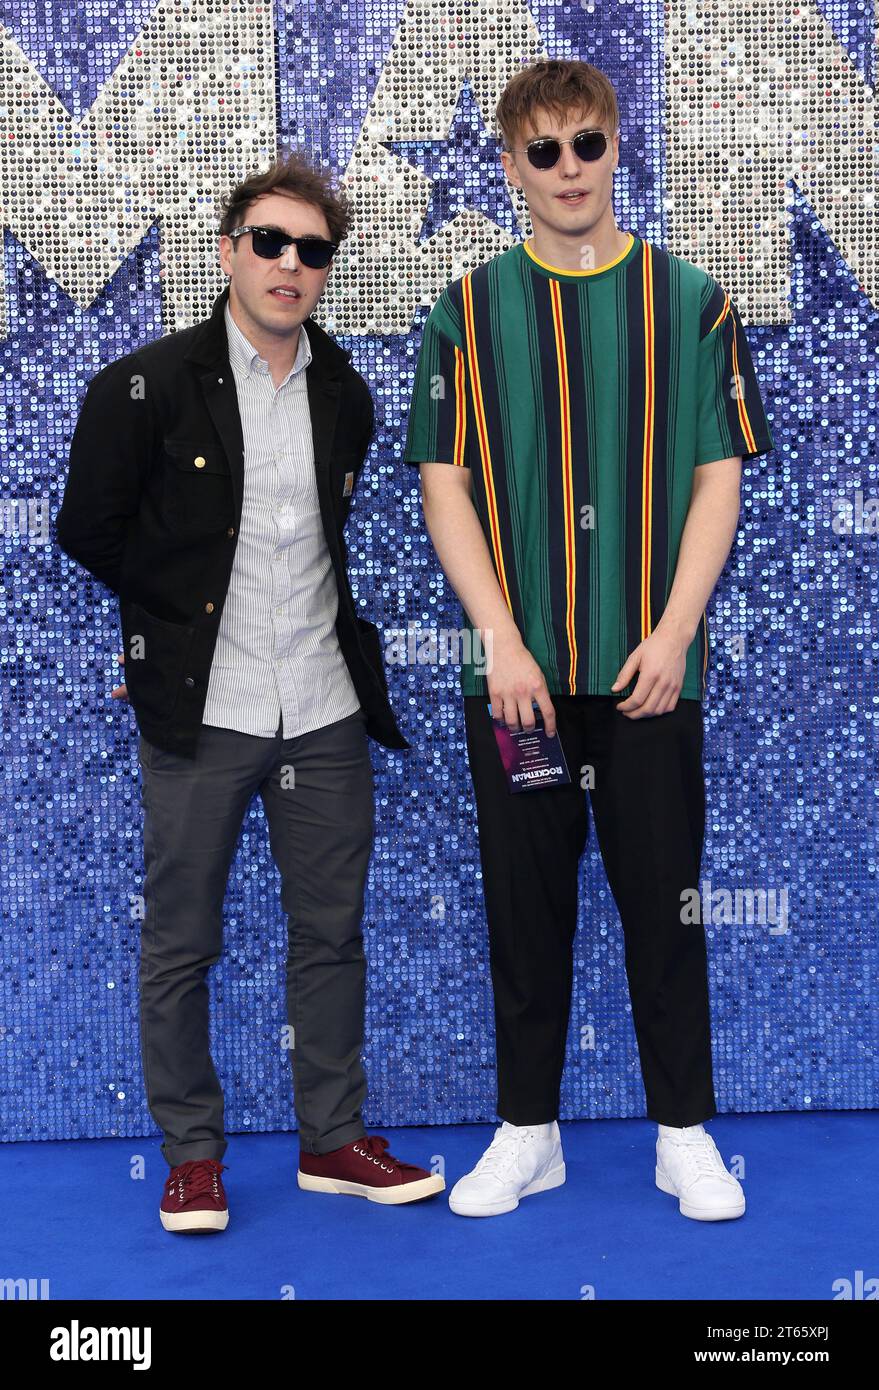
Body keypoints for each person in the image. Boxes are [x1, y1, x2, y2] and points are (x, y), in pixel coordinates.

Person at [402, 59, 775, 1221]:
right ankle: (528, 1131)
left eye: (589, 144)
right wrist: (502, 641)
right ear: (512, 167)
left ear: (621, 148)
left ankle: (683, 1133)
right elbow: (445, 483)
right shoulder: (466, 310)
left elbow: (719, 475)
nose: (570, 169)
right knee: (526, 912)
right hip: (517, 682)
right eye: (545, 150)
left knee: (666, 903)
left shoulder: (693, 300)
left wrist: (674, 631)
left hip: (650, 673)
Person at [57, 150, 444, 1233]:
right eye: (267, 242)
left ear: (327, 271)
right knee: (181, 940)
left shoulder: (347, 395)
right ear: (229, 252)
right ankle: (191, 1155)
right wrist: (172, 634)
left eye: (311, 250)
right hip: (205, 710)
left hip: (321, 705)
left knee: (332, 933)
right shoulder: (147, 384)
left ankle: (332, 1139)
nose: (288, 264)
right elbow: (87, 528)